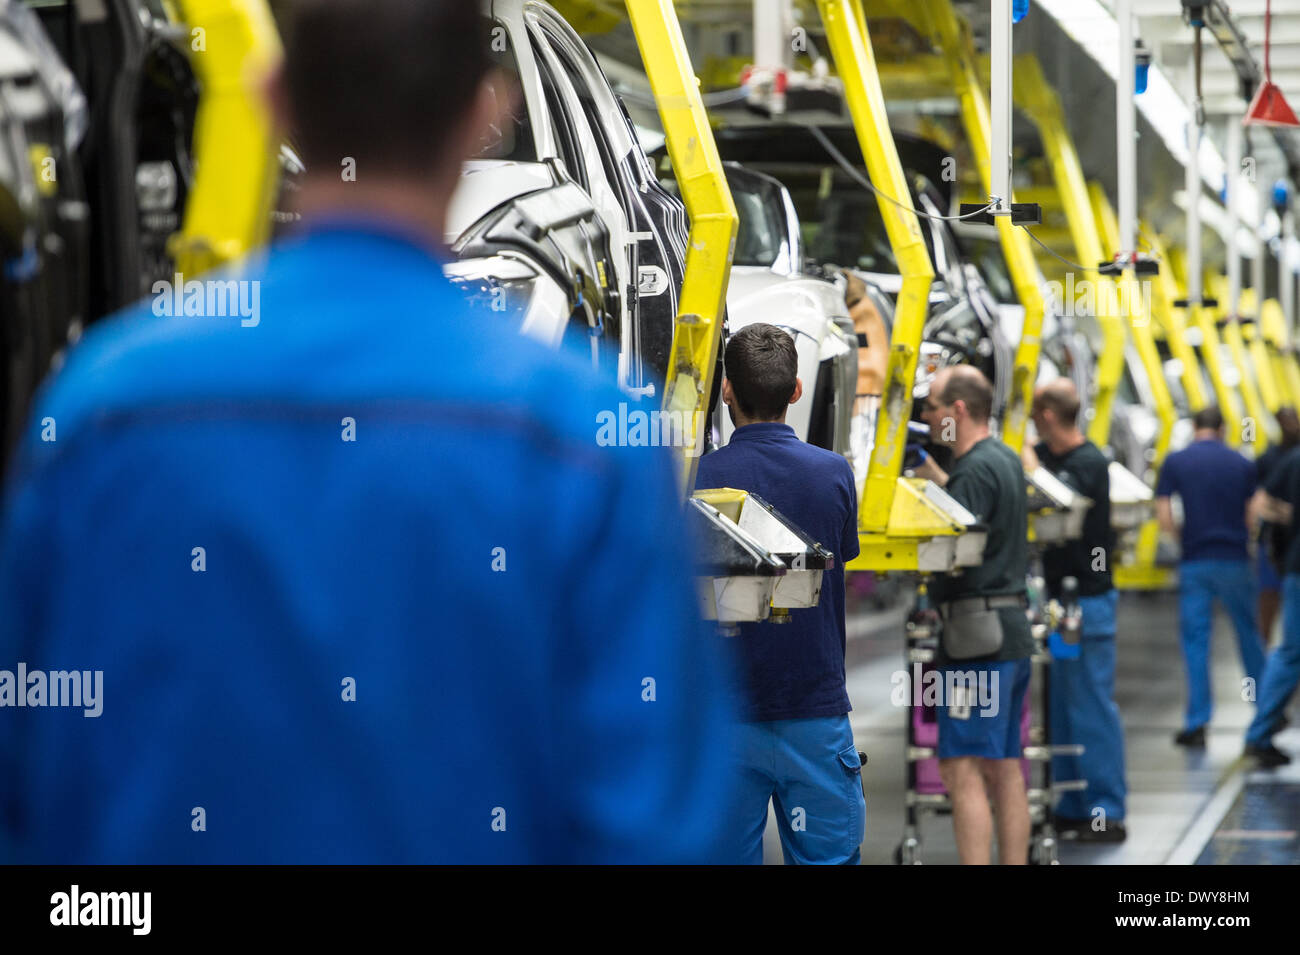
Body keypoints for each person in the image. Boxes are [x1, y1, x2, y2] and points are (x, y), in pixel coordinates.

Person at [0, 0, 738, 863]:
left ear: (270, 99)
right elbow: (654, 825)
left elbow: (30, 787)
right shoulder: (588, 439)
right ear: (483, 113)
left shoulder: (100, 412)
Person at [695, 323, 865, 865]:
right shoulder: (834, 474)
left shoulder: (694, 477)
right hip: (814, 714)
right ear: (796, 390)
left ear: (726, 389)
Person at [913, 365, 1033, 865]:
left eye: (933, 408)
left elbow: (957, 552)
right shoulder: (1001, 459)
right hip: (1009, 634)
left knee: (960, 767)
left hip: (975, 640)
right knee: (1004, 767)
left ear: (958, 411)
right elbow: (975, 516)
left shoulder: (973, 470)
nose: (926, 417)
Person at [1023, 379, 1126, 843]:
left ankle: (1107, 811)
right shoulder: (1055, 457)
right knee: (1063, 709)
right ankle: (1071, 805)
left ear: (1046, 414)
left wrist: (1027, 460)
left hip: (1088, 605)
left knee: (1092, 710)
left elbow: (1059, 498)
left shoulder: (1088, 462)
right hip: (1061, 606)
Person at [1155, 405, 1265, 748]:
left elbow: (1163, 512)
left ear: (1193, 426)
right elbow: (1255, 511)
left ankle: (1198, 722)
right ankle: (1265, 715)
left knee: (1196, 644)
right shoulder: (1243, 463)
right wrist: (1244, 537)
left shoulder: (1176, 461)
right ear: (1223, 428)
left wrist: (1180, 540)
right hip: (1234, 560)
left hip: (1195, 562)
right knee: (1249, 639)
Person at [1243, 444, 1300, 768]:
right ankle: (1259, 733)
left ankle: (1260, 732)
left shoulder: (1293, 458)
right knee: (1290, 652)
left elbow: (1261, 505)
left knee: (1289, 652)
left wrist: (1290, 519)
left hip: (1295, 569)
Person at [1254, 407, 1300, 645]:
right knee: (1269, 601)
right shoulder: (1271, 458)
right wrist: (1287, 514)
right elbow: (1260, 500)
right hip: (1275, 543)